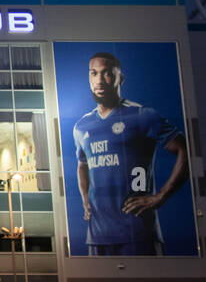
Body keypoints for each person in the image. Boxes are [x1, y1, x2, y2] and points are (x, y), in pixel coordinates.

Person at [73, 52, 190, 255]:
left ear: (121, 78)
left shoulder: (141, 115)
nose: (99, 80)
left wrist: (160, 196)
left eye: (107, 73)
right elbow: (82, 163)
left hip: (137, 232)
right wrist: (85, 199)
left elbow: (185, 150)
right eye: (94, 73)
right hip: (97, 235)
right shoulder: (82, 125)